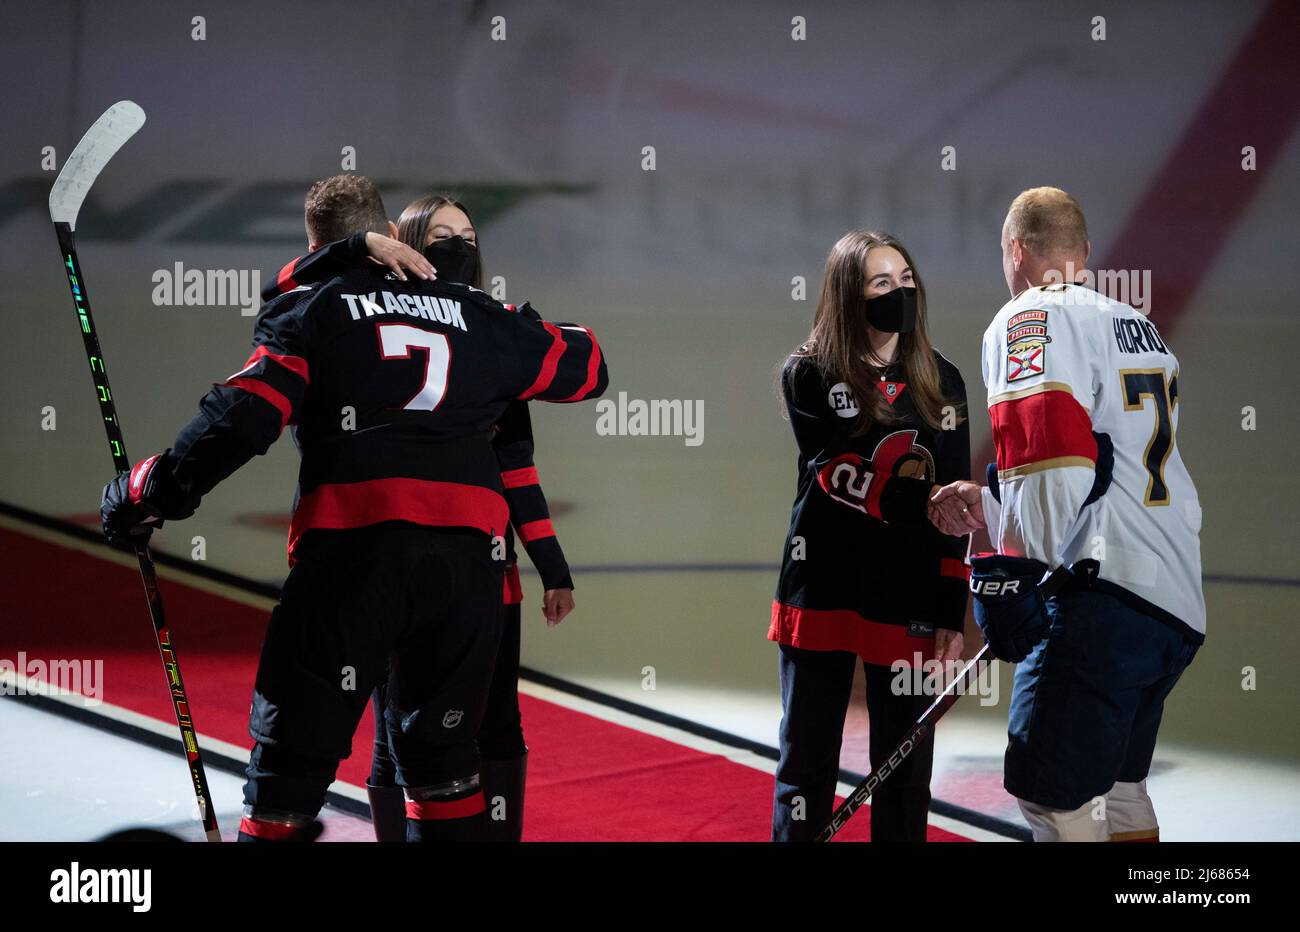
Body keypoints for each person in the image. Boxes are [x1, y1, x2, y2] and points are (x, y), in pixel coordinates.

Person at [100, 174, 608, 842]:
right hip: (465, 573)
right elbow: (589, 366)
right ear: (392, 239)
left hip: (351, 556)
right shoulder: (485, 320)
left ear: (322, 250)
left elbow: (245, 418)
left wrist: (147, 493)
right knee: (446, 770)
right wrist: (501, 321)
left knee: (289, 766)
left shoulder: (314, 306)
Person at [264, 192, 575, 842]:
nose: (459, 245)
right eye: (441, 235)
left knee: (487, 728)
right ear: (402, 243)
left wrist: (553, 567)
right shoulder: (458, 332)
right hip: (409, 564)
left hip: (484, 573)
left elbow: (518, 468)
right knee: (396, 731)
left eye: (467, 234)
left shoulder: (491, 333)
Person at [931, 186, 1205, 842]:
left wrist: (1010, 570)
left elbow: (1052, 459)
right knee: (1118, 790)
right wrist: (997, 509)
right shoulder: (1141, 330)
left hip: (1100, 600)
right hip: (1172, 607)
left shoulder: (1030, 318)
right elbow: (1111, 467)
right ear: (1082, 254)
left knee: (1051, 797)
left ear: (1015, 250)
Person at [770, 230, 972, 842]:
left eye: (907, 280)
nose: (900, 293)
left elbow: (957, 499)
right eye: (882, 283)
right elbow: (835, 471)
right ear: (847, 295)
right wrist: (926, 501)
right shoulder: (808, 372)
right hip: (824, 582)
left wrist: (949, 609)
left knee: (906, 771)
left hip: (907, 591)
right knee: (805, 765)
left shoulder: (943, 379)